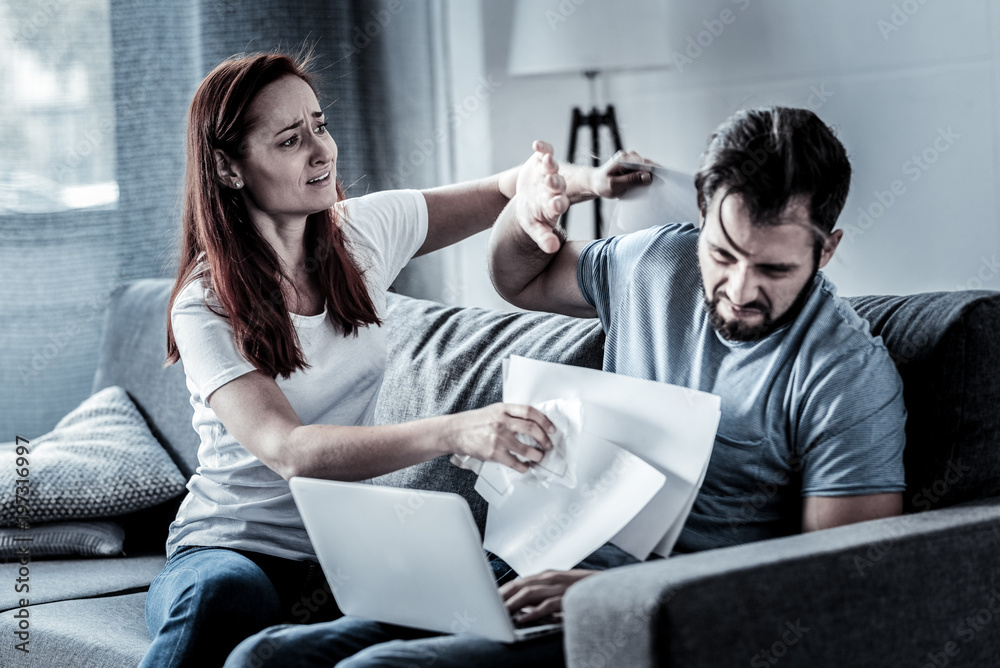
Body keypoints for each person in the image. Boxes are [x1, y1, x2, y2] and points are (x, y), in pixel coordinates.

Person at [225, 106, 907, 667]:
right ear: (701, 219)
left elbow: (834, 585)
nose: (739, 288)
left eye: (774, 268)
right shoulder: (659, 261)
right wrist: (530, 220)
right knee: (264, 658)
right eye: (722, 254)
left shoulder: (844, 374)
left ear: (828, 247)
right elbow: (516, 278)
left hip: (656, 618)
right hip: (531, 565)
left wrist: (618, 592)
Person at [140, 52, 649, 668]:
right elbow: (289, 450)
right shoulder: (205, 302)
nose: (321, 150)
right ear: (227, 167)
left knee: (483, 580)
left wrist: (593, 182)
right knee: (227, 596)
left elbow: (502, 188)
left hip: (348, 554)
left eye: (320, 125)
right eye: (290, 139)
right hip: (229, 549)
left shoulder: (360, 236)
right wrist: (459, 431)